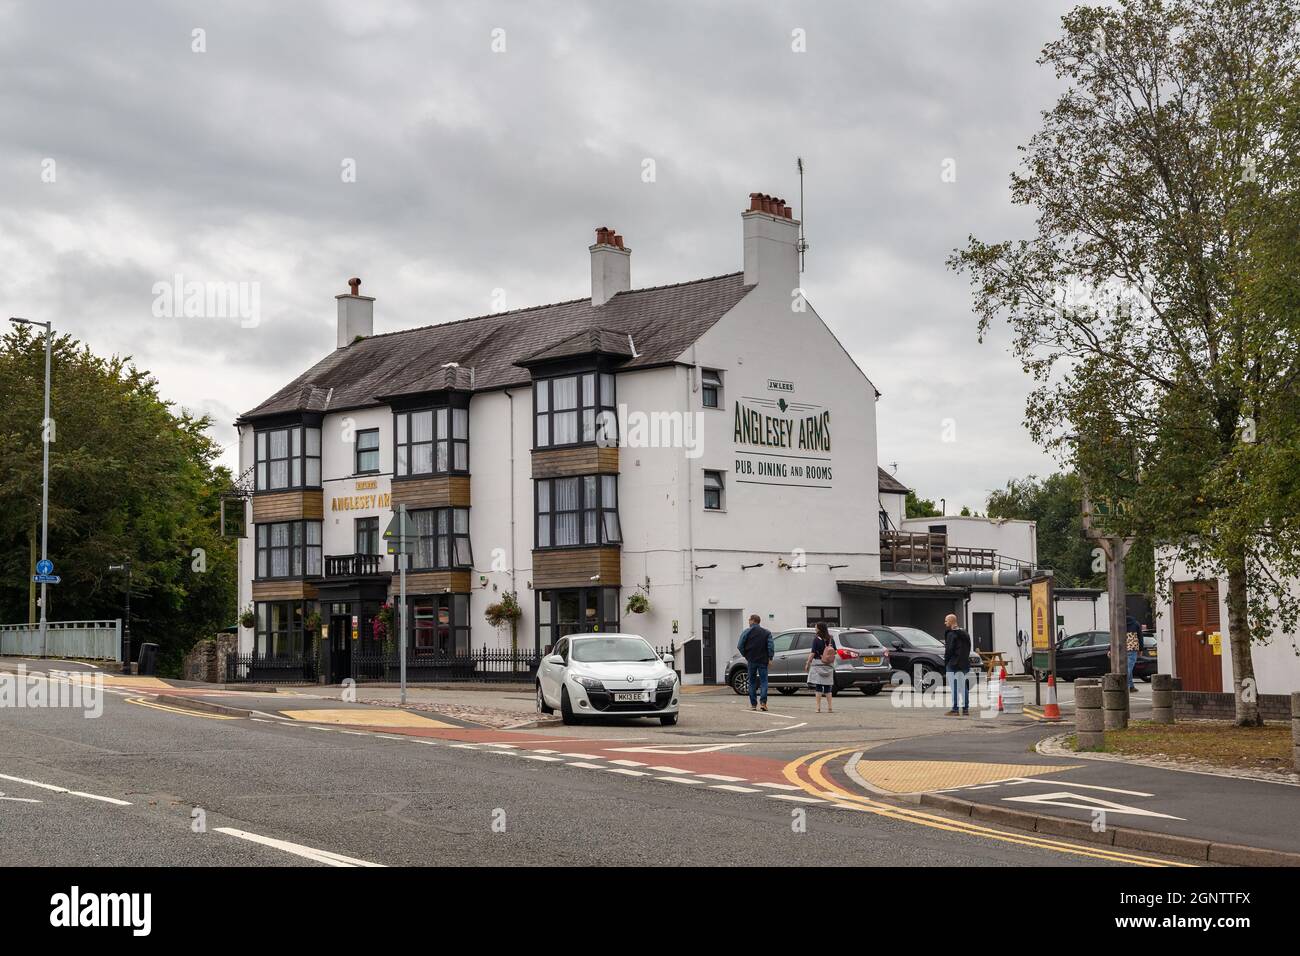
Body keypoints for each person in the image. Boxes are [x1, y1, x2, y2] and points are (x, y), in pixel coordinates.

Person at [738, 614, 774, 711]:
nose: (748, 621)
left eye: (749, 620)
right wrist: (770, 658)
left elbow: (740, 645)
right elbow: (770, 647)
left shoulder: (747, 632)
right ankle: (763, 703)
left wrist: (746, 655)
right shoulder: (767, 633)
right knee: (764, 682)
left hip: (752, 660)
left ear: (753, 621)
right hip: (763, 660)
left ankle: (753, 704)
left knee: (752, 682)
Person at [942, 613, 972, 716]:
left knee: (954, 687)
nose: (945, 623)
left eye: (946, 621)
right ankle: (965, 709)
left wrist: (946, 662)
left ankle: (955, 709)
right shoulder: (965, 633)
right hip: (964, 664)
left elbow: (949, 650)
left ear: (951, 621)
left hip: (953, 664)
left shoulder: (951, 634)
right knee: (963, 686)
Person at [807, 621, 837, 713]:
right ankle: (830, 707)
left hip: (818, 664)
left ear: (819, 629)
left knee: (818, 686)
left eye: (816, 627)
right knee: (828, 687)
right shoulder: (831, 639)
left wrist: (808, 663)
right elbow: (835, 651)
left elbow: (812, 653)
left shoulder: (816, 639)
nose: (815, 629)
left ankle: (818, 707)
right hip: (828, 665)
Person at [1125, 614, 1142, 692]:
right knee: (1129, 668)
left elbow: (1112, 636)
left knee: (1128, 668)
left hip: (1121, 648)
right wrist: (1141, 649)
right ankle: (1126, 685)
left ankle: (1131, 686)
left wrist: (1110, 648)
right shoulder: (1136, 623)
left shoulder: (1119, 623)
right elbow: (1140, 637)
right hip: (1133, 648)